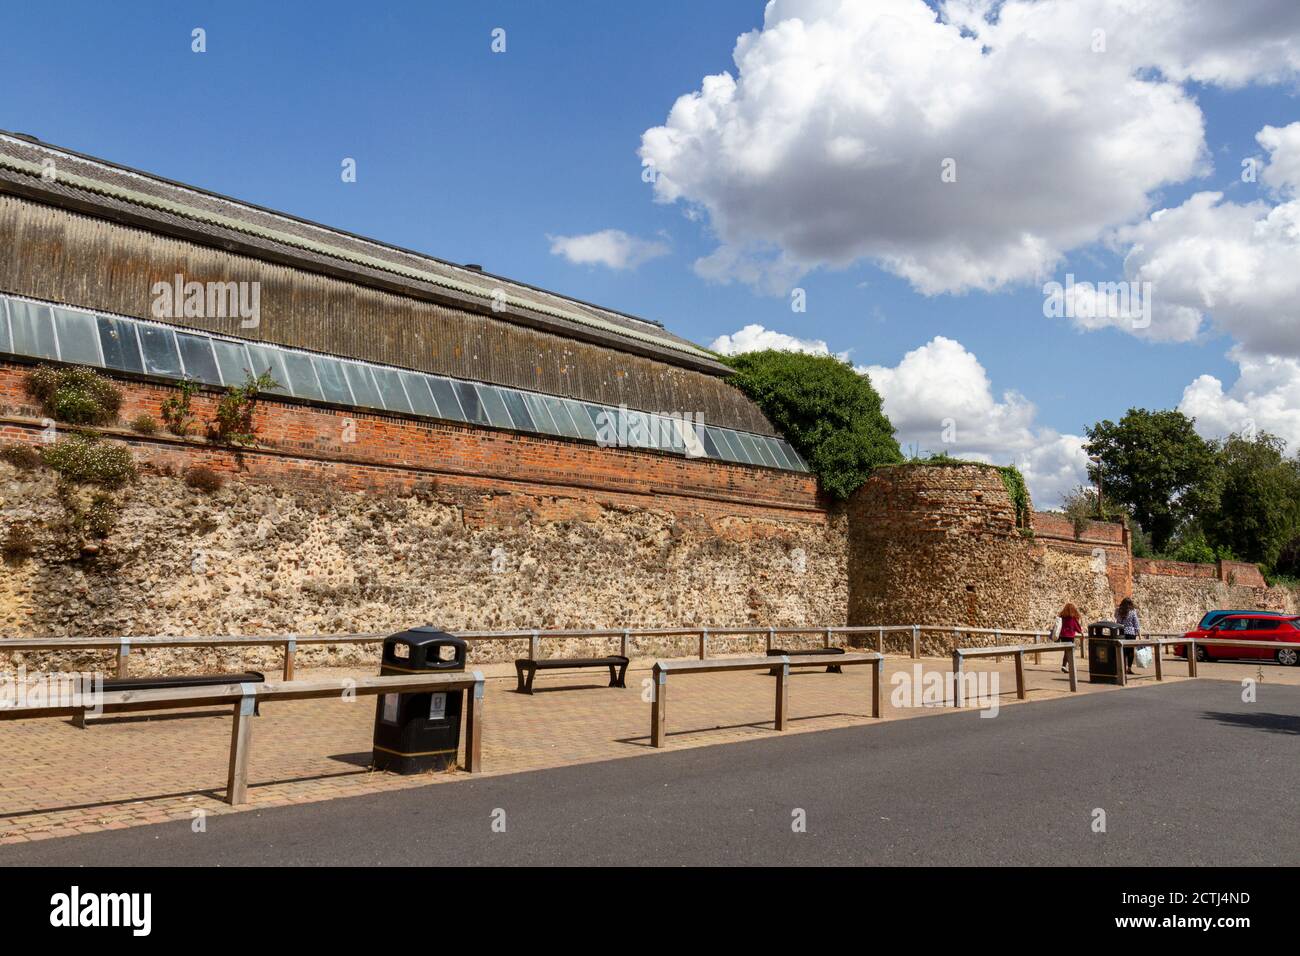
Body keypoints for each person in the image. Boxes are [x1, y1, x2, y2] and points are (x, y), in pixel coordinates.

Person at [1057, 603, 1084, 673]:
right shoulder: (1072, 618)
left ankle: (1064, 666)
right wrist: (1081, 632)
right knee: (1069, 651)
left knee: (1066, 651)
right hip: (1070, 636)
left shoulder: (1062, 617)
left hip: (1062, 636)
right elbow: (1077, 627)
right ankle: (1069, 666)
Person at [1117, 596, 1140, 674]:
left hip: (1122, 632)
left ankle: (1122, 667)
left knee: (1123, 651)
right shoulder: (1132, 611)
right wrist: (1138, 634)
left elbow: (1117, 621)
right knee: (1130, 652)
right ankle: (1129, 668)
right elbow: (1136, 623)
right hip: (1131, 633)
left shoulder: (1119, 611)